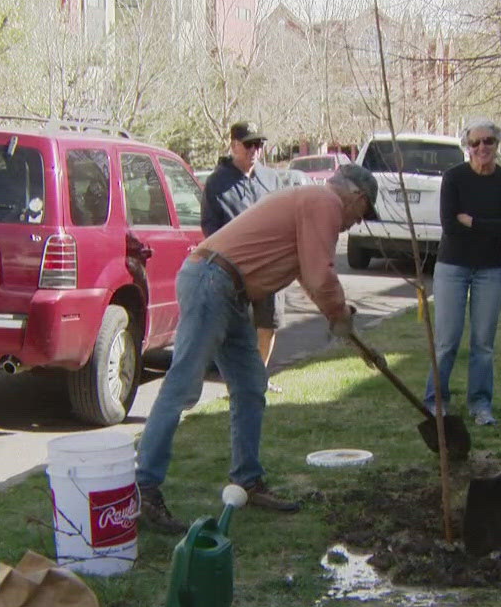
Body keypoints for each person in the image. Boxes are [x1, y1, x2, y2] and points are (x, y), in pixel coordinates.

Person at [137, 165, 382, 533]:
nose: (354, 225)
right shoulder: (325, 202)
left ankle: (247, 481)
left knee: (251, 385)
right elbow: (320, 274)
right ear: (357, 198)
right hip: (212, 281)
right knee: (182, 387)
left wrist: (338, 319)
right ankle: (143, 490)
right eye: (361, 215)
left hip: (230, 289)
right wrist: (338, 312)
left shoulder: (310, 200)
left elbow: (307, 275)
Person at [421, 117, 501, 426]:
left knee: (483, 343)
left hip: (490, 270)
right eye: (475, 143)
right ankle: (435, 401)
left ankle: (480, 404)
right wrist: (486, 227)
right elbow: (450, 225)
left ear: (497, 144)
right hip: (452, 267)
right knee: (447, 340)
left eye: (487, 141)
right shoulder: (454, 178)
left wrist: (474, 222)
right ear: (467, 147)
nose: (481, 148)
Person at [202, 122, 280, 370]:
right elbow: (210, 227)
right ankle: (238, 381)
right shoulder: (217, 183)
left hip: (268, 267)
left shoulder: (269, 178)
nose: (255, 150)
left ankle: (259, 376)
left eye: (258, 145)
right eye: (249, 145)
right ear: (234, 145)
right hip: (235, 269)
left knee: (268, 324)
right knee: (236, 330)